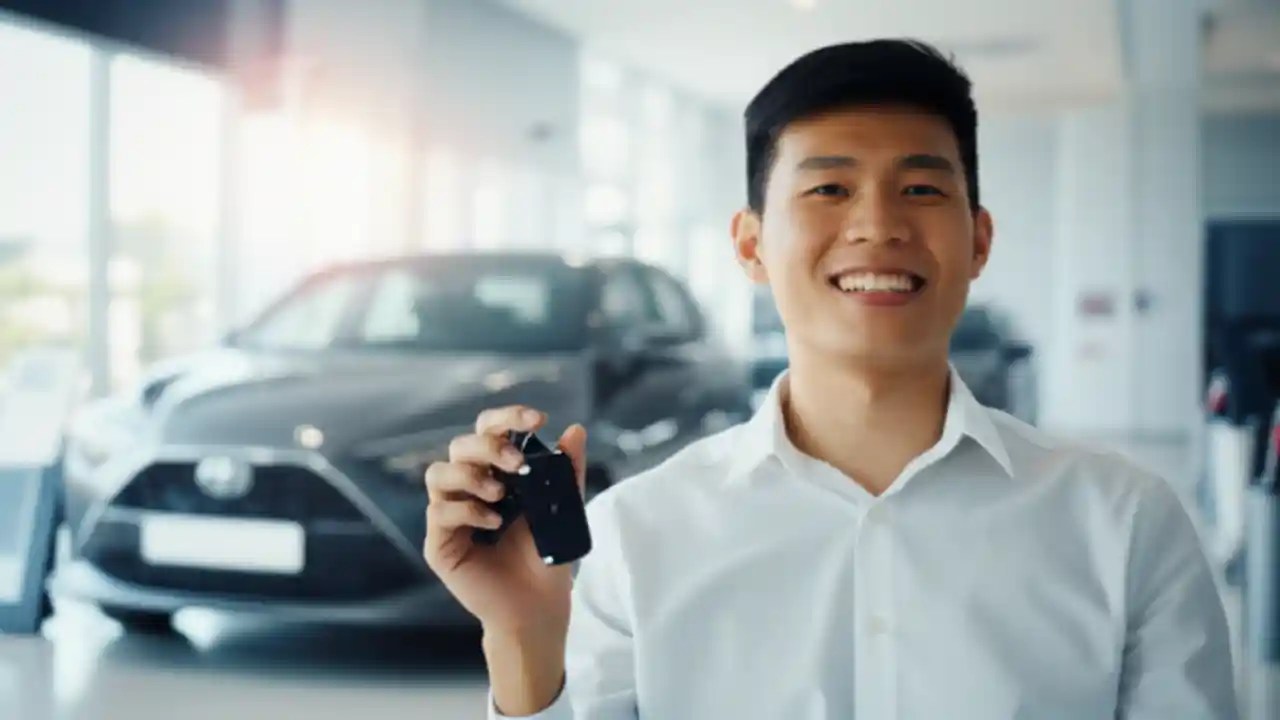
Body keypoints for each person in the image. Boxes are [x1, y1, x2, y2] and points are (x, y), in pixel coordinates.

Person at [423, 39, 1238, 719]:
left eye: (921, 188)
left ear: (979, 241)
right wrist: (523, 641)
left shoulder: (1124, 526)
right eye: (829, 189)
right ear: (751, 246)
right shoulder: (636, 538)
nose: (878, 225)